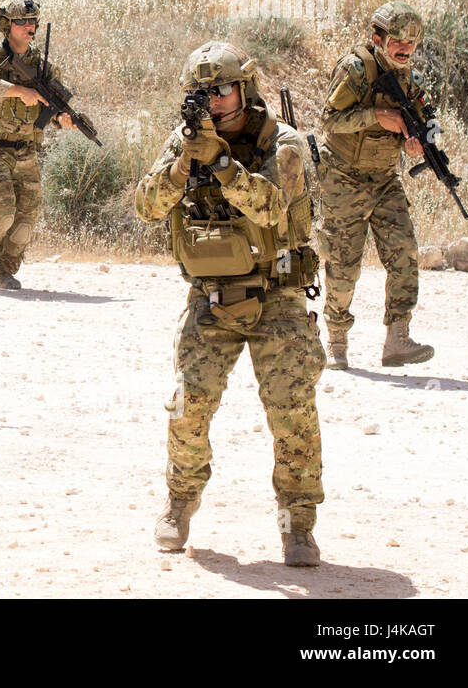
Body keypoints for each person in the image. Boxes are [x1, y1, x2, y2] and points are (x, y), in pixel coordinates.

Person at [135, 41, 324, 567]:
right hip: (211, 294)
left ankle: (299, 521)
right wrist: (180, 170)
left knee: (292, 410)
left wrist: (221, 164)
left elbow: (274, 211)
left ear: (245, 87)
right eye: (203, 92)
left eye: (221, 89)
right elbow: (146, 207)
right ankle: (179, 504)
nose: (213, 101)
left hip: (277, 293)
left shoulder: (281, 142)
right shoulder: (183, 142)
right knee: (189, 402)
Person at [317, 1, 436, 369]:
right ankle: (336, 343)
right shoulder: (354, 69)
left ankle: (397, 340)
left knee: (404, 253)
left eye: (412, 43)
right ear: (378, 38)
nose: (405, 49)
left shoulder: (411, 78)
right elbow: (329, 120)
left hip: (385, 178)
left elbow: (430, 120)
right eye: (398, 40)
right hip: (343, 178)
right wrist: (376, 116)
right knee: (343, 262)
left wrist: (421, 142)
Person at [0, 0, 75, 289]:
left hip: (25, 148)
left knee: (26, 216)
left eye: (33, 21)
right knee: (1, 211)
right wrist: (18, 91)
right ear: (6, 25)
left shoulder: (42, 66)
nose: (29, 26)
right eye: (22, 21)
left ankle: (5, 271)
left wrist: (60, 119)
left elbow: (51, 108)